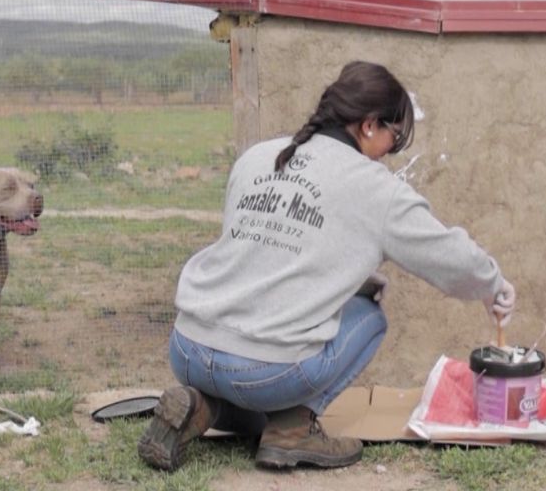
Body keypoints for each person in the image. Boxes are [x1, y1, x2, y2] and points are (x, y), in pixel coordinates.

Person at [138, 60, 517, 472]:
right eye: (395, 136)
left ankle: (200, 406)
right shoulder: (375, 189)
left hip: (187, 347)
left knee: (249, 402)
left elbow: (260, 258)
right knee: (369, 316)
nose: (391, 150)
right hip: (260, 373)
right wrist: (492, 285)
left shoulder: (258, 157)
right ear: (370, 125)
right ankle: (293, 429)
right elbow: (450, 258)